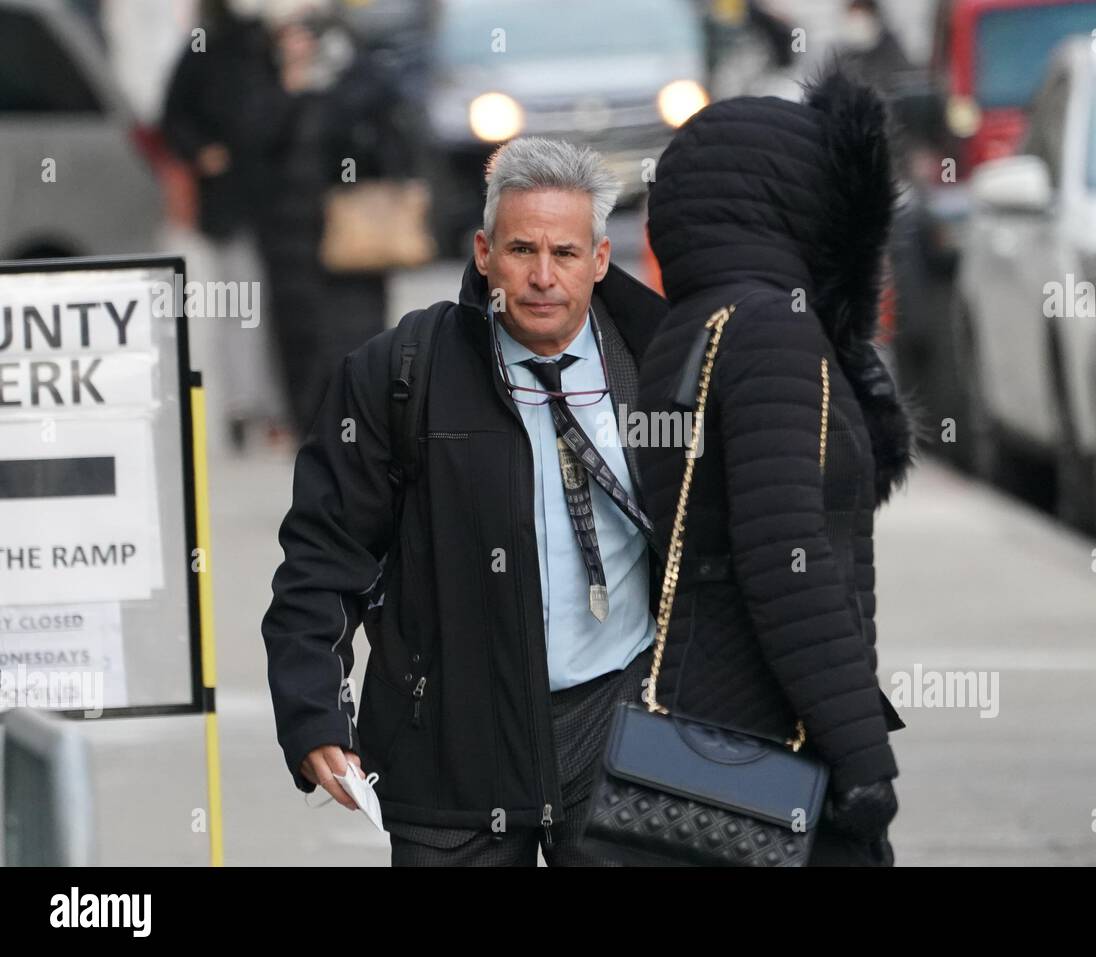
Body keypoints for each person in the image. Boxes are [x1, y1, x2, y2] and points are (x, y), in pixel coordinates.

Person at [261, 137, 670, 866]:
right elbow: (324, 555)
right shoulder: (399, 372)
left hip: (619, 726)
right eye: (521, 249)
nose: (543, 276)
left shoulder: (661, 369)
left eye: (566, 254)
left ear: (601, 260)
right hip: (451, 744)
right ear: (484, 253)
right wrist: (313, 710)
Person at [635, 60, 915, 866]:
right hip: (775, 747)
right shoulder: (770, 335)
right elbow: (785, 560)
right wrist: (862, 752)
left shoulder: (688, 332)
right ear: (802, 206)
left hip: (699, 738)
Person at [239, 0, 396, 441]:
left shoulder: (356, 77)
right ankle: (310, 433)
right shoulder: (266, 81)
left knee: (356, 336)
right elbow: (252, 145)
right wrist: (291, 87)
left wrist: (328, 85)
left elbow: (381, 132)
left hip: (353, 237)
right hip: (289, 240)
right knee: (299, 341)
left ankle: (359, 429)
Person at [160, 0, 289, 449]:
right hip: (233, 204)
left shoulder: (271, 47)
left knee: (270, 307)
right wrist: (201, 153)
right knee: (243, 305)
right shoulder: (208, 48)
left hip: (278, 204)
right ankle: (246, 406)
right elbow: (173, 116)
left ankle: (273, 407)